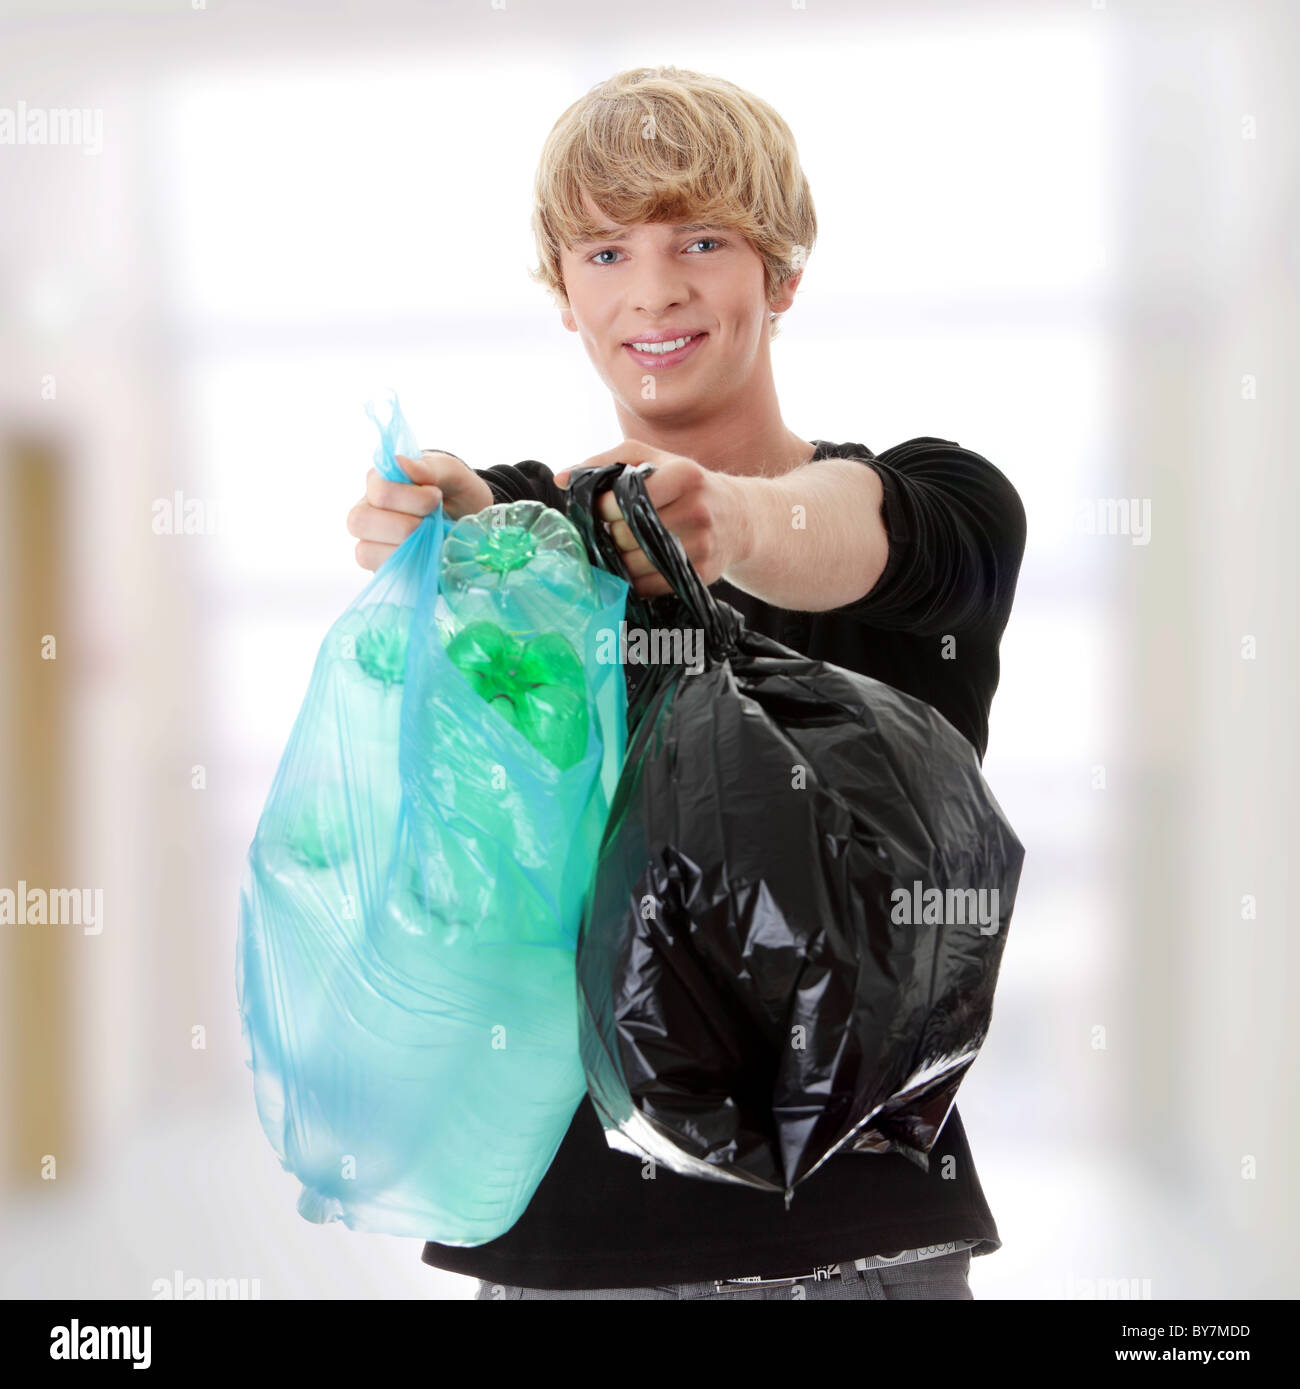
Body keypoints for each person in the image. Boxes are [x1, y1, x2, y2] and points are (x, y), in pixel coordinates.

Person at [346, 65, 1026, 1301]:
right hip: (568, 1239)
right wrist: (452, 531)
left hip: (847, 1228)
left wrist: (732, 525)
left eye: (701, 240)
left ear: (783, 273)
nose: (652, 289)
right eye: (604, 253)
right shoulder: (535, 532)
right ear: (562, 292)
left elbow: (841, 528)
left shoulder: (948, 509)